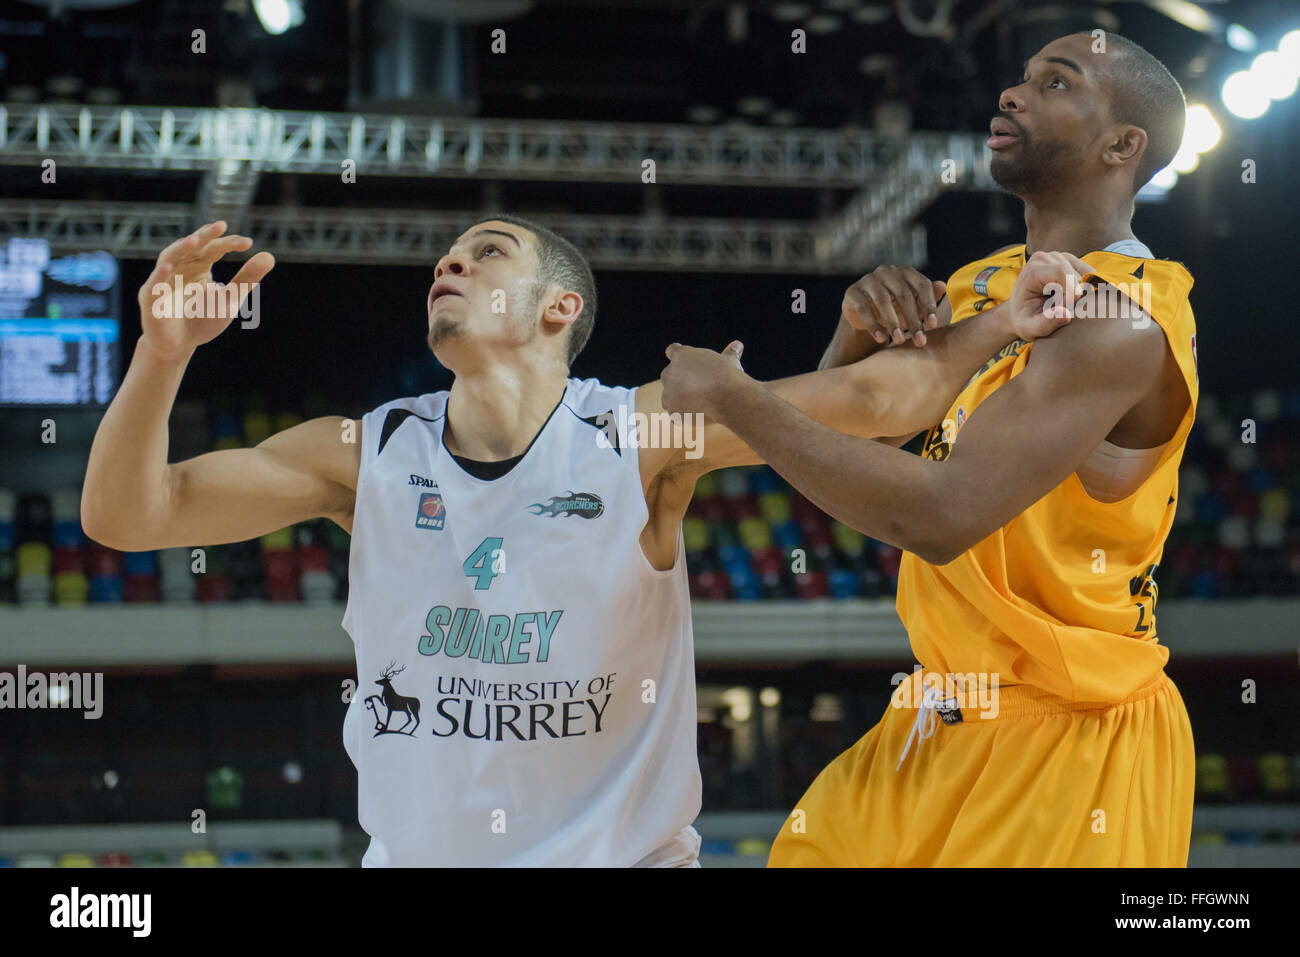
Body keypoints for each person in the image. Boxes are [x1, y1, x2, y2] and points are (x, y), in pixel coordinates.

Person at [81, 212, 1065, 866]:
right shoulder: (364, 453)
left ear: (560, 309)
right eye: (444, 256)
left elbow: (873, 399)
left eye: (487, 251)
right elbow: (132, 516)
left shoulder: (637, 437)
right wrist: (161, 358)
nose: (449, 263)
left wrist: (998, 326)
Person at [659, 31, 1198, 866]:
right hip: (932, 710)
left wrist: (736, 400)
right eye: (1020, 79)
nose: (1013, 95)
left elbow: (941, 514)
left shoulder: (1123, 320)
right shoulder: (986, 282)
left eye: (1056, 84)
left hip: (1066, 734)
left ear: (1122, 145)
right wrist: (850, 338)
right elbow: (862, 433)